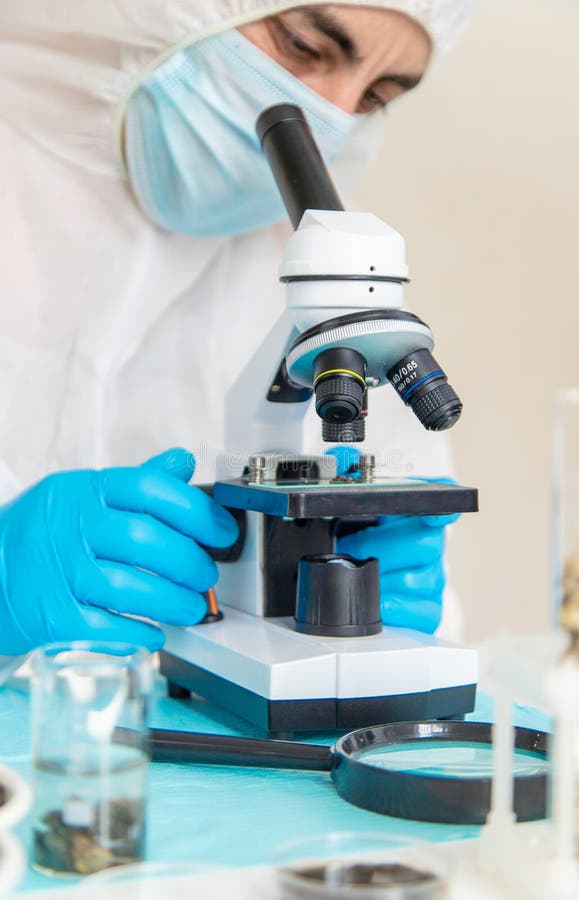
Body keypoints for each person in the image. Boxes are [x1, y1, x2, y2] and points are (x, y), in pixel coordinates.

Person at [0, 1, 473, 663]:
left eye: (376, 96)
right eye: (301, 43)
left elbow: (425, 591)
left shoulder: (320, 266)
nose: (332, 114)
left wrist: (373, 614)